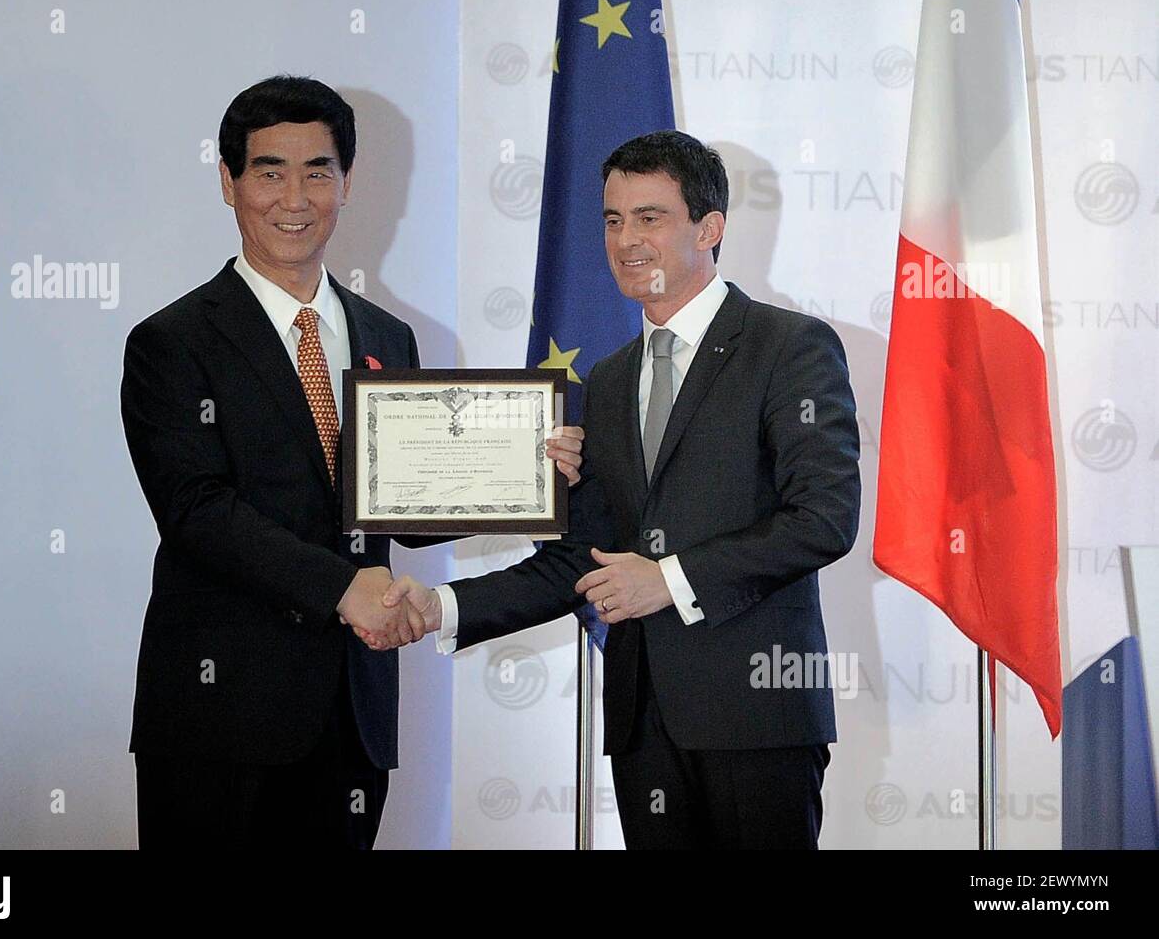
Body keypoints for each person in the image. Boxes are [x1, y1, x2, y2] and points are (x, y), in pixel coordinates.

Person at [120, 75, 582, 849]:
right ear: (228, 183)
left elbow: (399, 500)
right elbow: (197, 511)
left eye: (318, 171)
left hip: (353, 714)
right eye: (269, 171)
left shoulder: (386, 336)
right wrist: (344, 588)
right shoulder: (173, 343)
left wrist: (529, 467)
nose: (293, 196)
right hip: (220, 716)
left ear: (348, 183)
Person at [380, 130, 861, 849]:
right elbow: (587, 558)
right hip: (642, 726)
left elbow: (824, 518)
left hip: (757, 717)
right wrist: (441, 605)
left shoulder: (788, 346)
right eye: (612, 219)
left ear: (711, 228)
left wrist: (668, 580)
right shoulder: (606, 380)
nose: (627, 239)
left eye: (650, 217)